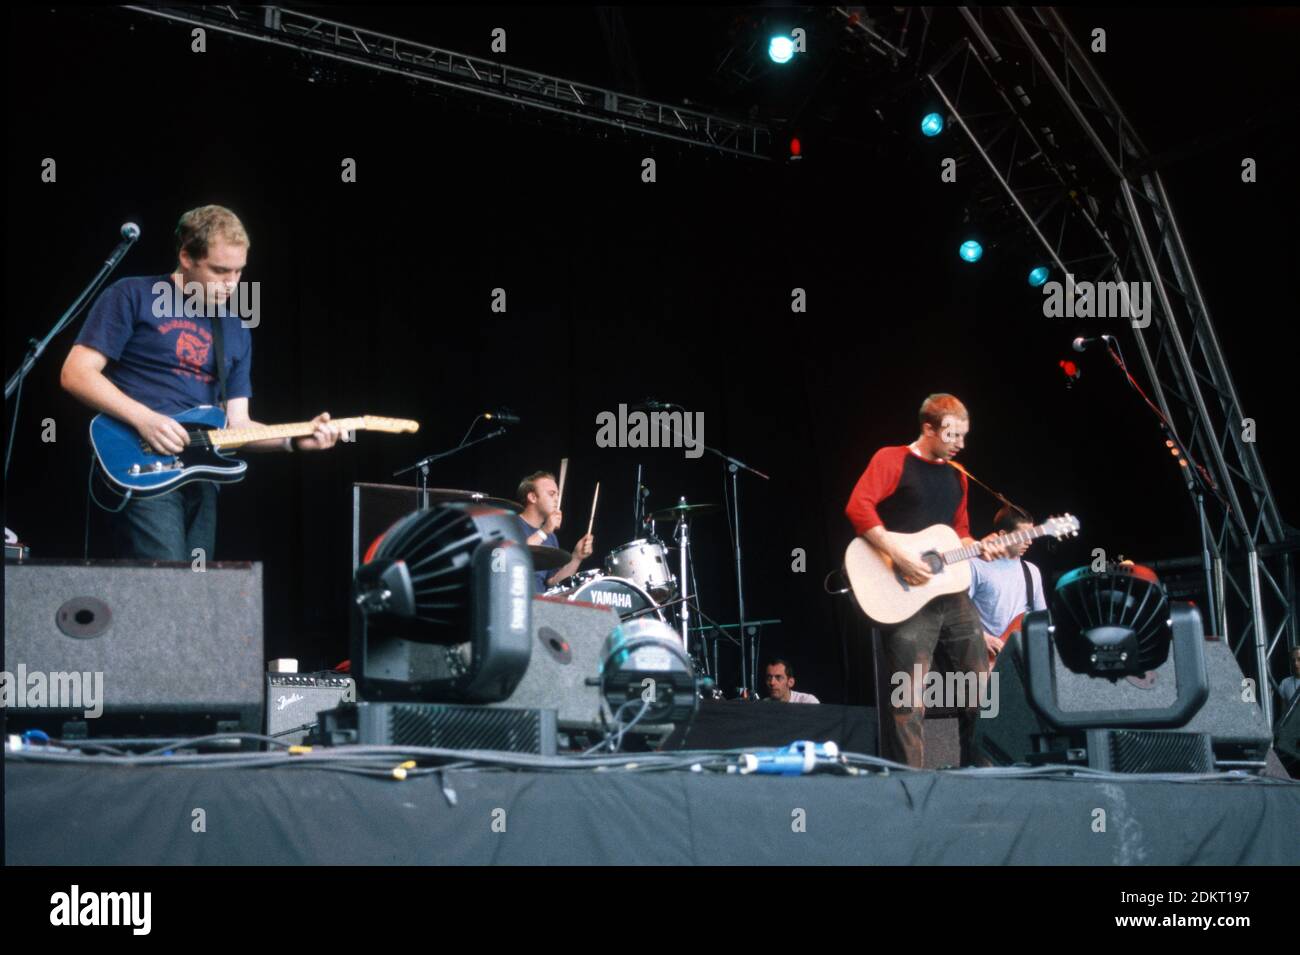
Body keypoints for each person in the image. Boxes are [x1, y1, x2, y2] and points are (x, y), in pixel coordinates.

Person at [60, 205, 339, 560]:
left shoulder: (236, 328)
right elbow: (76, 373)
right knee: (166, 588)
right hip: (141, 463)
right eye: (220, 271)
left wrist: (293, 441)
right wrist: (145, 419)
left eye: (238, 272)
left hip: (201, 472)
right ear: (186, 257)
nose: (231, 283)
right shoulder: (131, 295)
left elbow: (238, 424)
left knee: (195, 595)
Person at [844, 393, 1009, 767]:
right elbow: (858, 506)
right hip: (903, 595)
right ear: (928, 428)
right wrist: (899, 554)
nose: (960, 444)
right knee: (909, 699)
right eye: (952, 436)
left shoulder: (959, 477)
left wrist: (984, 547)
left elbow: (961, 534)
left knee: (982, 691)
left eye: (964, 436)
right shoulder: (893, 459)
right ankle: (912, 788)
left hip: (950, 592)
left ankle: (983, 775)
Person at [969, 505, 1047, 665]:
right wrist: (981, 637)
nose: (1029, 542)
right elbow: (954, 613)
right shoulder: (975, 566)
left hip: (1018, 659)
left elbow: (1041, 619)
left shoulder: (1032, 571)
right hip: (982, 657)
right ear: (1003, 535)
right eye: (1023, 536)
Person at [515, 470, 594, 593]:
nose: (557, 499)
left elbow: (553, 582)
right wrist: (544, 532)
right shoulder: (509, 524)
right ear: (532, 497)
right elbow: (513, 557)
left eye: (557, 494)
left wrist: (577, 557)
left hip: (540, 605)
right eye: (551, 494)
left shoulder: (551, 537)